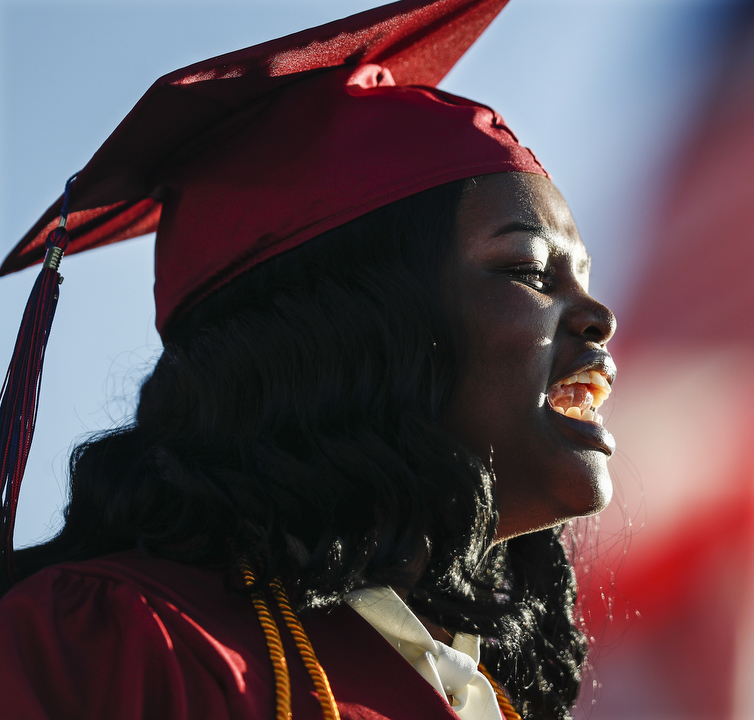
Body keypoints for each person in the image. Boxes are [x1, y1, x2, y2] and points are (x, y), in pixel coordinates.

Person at [0, 2, 616, 719]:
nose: (599, 318)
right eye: (529, 270)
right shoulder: (119, 647)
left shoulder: (480, 698)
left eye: (586, 279)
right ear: (350, 331)